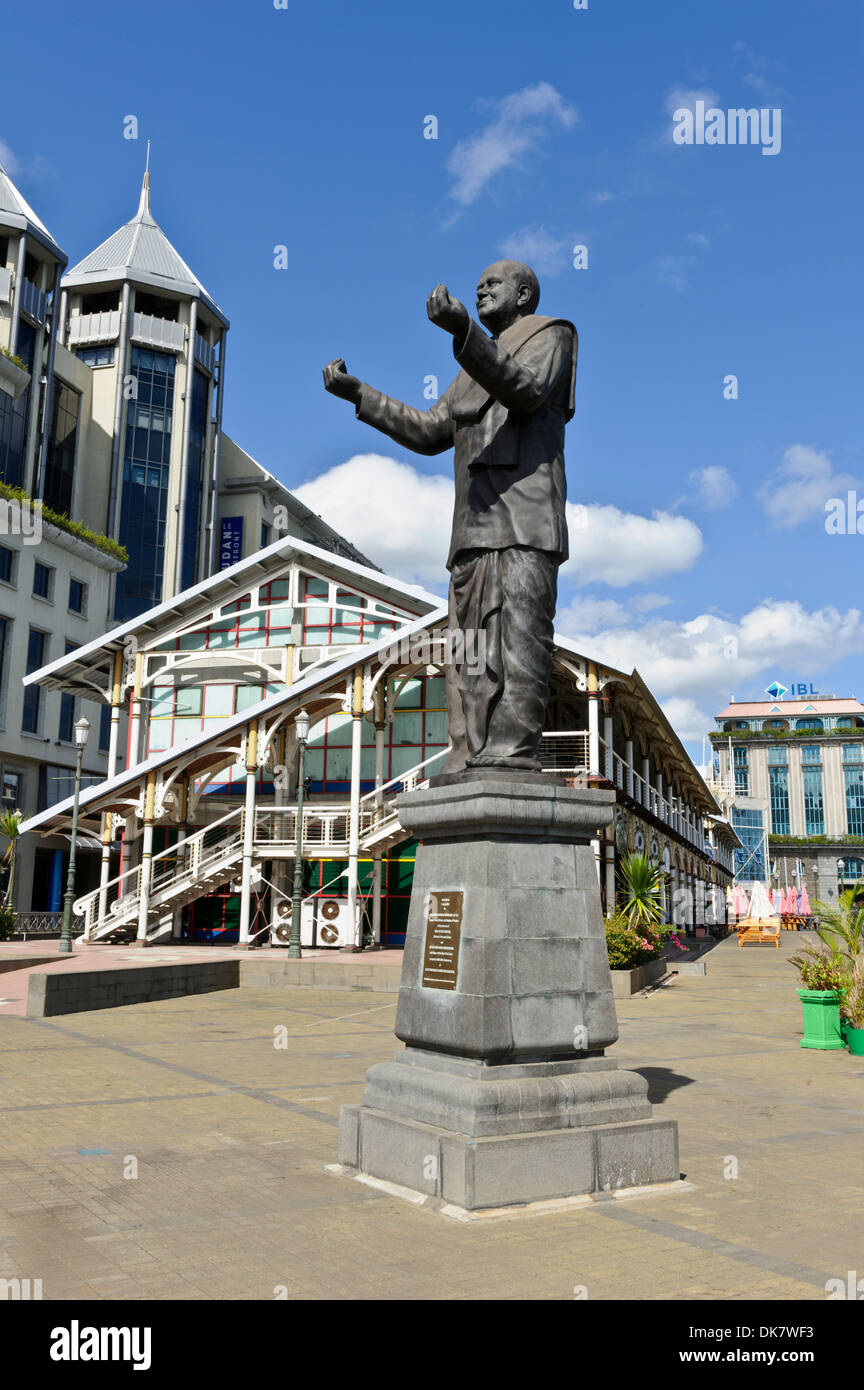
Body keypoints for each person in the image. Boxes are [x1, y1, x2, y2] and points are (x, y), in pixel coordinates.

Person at [323, 259, 577, 776]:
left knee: (520, 644)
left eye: (494, 283)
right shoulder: (471, 369)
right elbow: (428, 431)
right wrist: (361, 395)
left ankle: (510, 758)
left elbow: (525, 389)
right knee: (467, 655)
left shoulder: (554, 335)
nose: (481, 289)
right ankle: (467, 755)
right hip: (472, 532)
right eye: (477, 285)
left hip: (526, 523)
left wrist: (464, 332)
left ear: (525, 295)